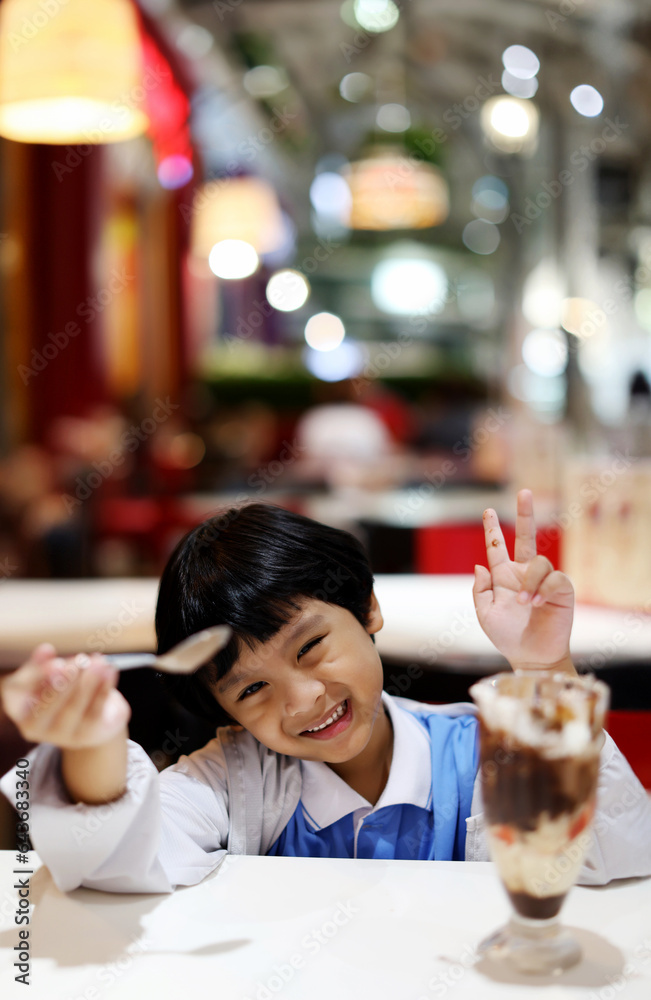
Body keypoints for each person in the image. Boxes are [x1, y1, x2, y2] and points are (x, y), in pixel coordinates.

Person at [1, 491, 650, 893]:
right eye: (251, 687)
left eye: (310, 647)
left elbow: (612, 860)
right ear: (220, 705)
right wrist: (91, 741)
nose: (301, 699)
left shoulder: (486, 750)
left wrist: (543, 668)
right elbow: (119, 858)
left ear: (368, 609)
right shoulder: (233, 779)